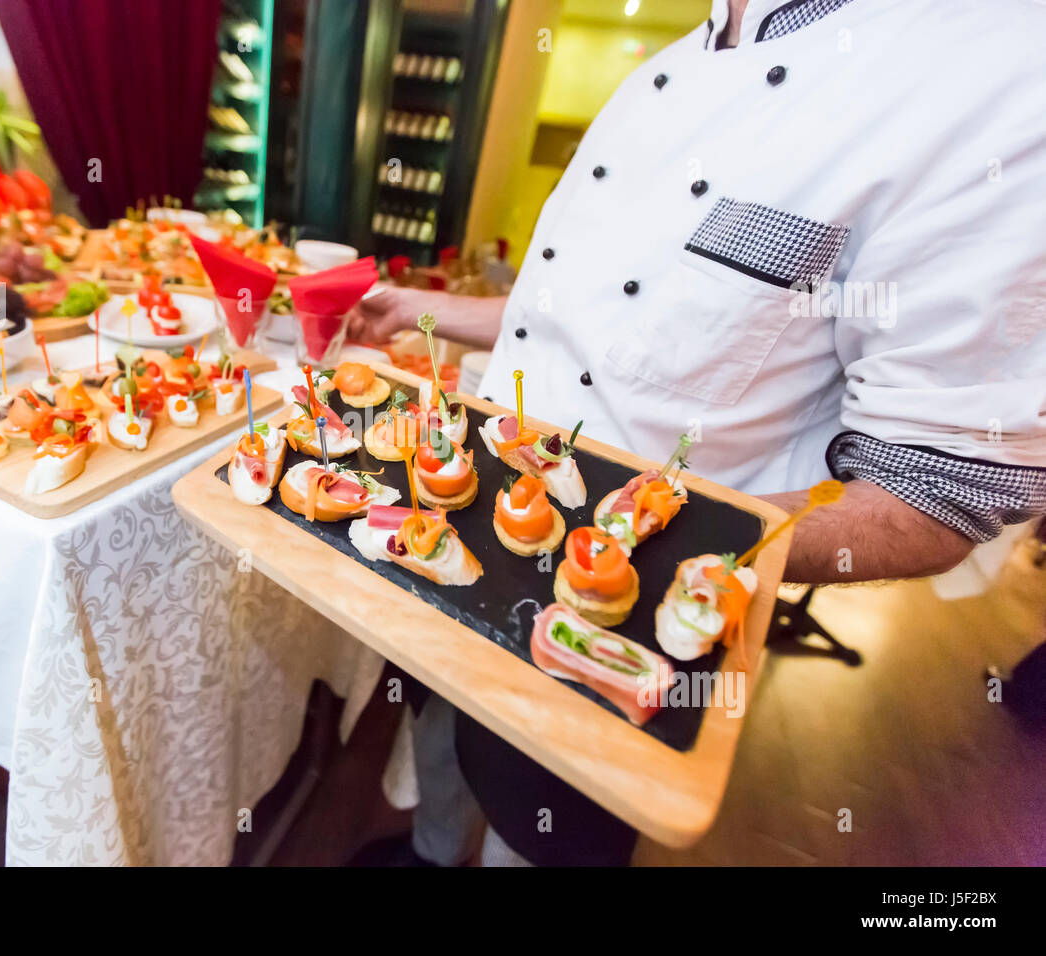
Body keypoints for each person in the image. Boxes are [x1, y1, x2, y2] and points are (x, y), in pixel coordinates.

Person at [347, 0, 1046, 866]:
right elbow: (610, 321)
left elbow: (941, 490)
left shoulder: (993, 67)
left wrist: (680, 552)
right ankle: (429, 851)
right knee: (435, 712)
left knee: (545, 820)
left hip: (627, 602)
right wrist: (434, 310)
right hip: (478, 505)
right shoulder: (672, 63)